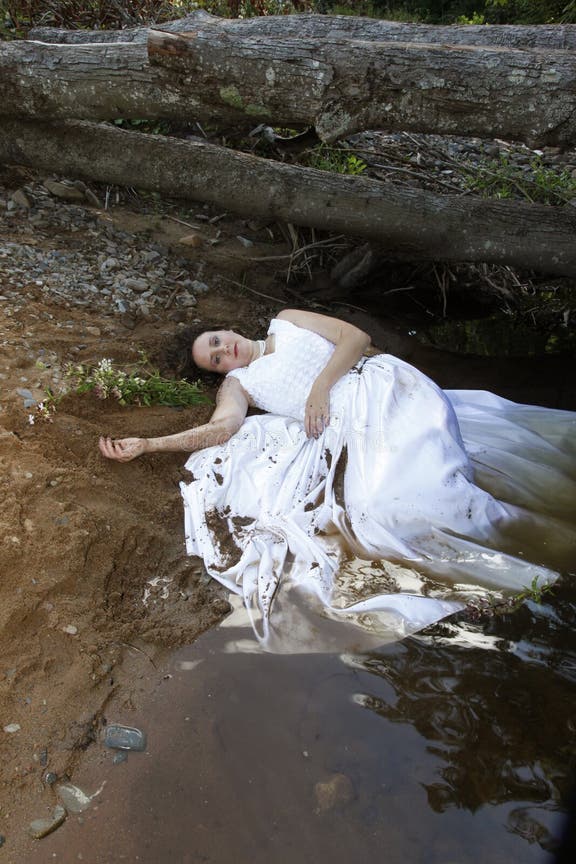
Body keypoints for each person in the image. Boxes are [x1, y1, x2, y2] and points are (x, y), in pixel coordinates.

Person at [99, 309, 576, 651]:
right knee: (376, 513)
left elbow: (356, 337)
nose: (226, 351)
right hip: (349, 428)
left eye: (218, 341)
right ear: (220, 374)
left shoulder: (286, 321)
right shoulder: (240, 386)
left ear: (228, 328)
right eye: (217, 359)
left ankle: (508, 547)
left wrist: (320, 387)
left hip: (381, 388)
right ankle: (486, 577)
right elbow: (223, 429)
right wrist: (150, 444)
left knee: (431, 481)